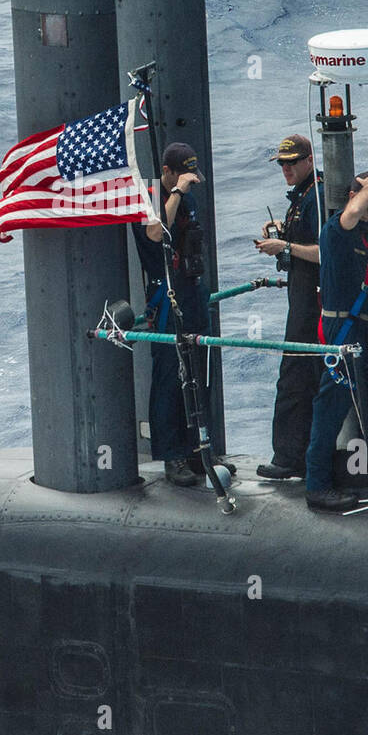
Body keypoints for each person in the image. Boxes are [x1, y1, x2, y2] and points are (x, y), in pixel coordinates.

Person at [303, 170, 368, 512]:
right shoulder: (337, 229)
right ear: (353, 197)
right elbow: (349, 215)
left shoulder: (365, 234)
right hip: (346, 331)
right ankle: (317, 484)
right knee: (332, 406)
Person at [132, 143, 211, 486]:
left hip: (191, 288)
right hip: (166, 294)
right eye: (181, 175)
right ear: (167, 172)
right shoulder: (149, 195)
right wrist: (175, 193)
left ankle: (197, 448)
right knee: (168, 374)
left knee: (196, 369)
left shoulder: (189, 197)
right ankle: (171, 454)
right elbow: (154, 232)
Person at [254, 134, 325, 480]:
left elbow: (326, 252)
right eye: (282, 163)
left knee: (295, 382)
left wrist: (285, 244)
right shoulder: (305, 197)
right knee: (305, 382)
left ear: (309, 160)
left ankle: (289, 458)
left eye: (292, 162)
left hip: (311, 307)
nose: (286, 168)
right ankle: (302, 456)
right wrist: (283, 235)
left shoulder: (317, 197)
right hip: (303, 301)